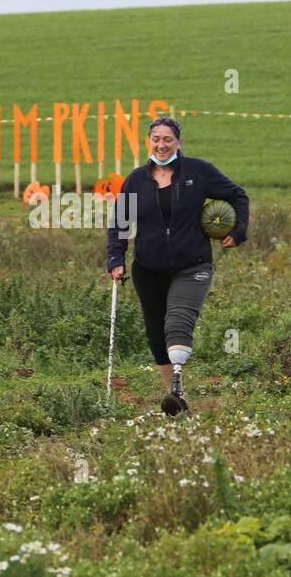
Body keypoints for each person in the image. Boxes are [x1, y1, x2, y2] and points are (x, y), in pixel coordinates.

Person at [105, 117, 249, 415]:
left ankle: (177, 381)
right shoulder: (136, 179)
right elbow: (120, 222)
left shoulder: (199, 171)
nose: (161, 144)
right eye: (156, 139)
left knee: (178, 321)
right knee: (156, 333)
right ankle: (177, 396)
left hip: (192, 265)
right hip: (148, 268)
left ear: (178, 142)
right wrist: (116, 258)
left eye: (167, 139)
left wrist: (238, 231)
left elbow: (238, 195)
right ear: (149, 142)